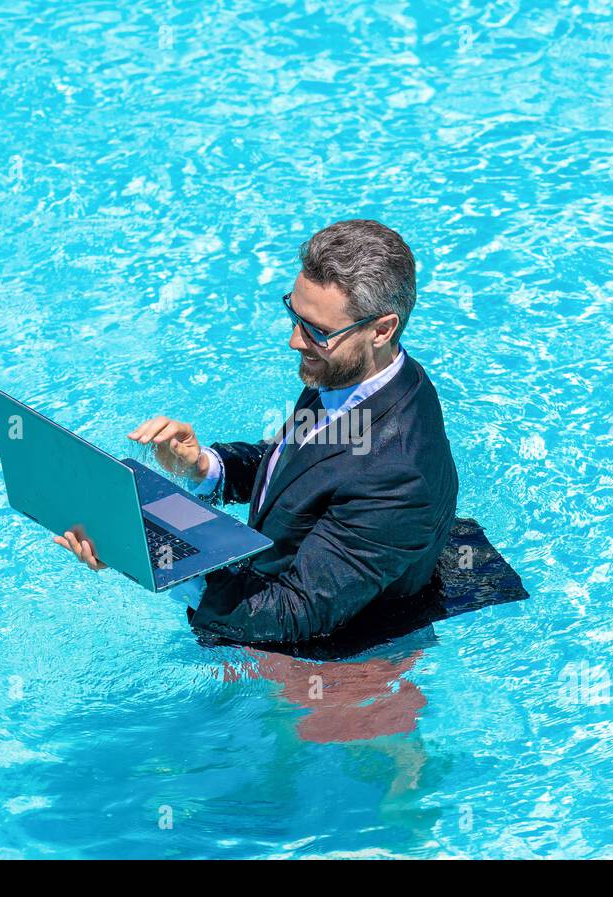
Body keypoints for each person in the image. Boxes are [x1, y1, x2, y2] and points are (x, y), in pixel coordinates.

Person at [56, 219, 458, 644]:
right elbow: (308, 462)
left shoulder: (397, 474)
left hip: (337, 664)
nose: (294, 341)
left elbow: (291, 614)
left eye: (318, 331)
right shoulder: (360, 375)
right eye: (294, 316)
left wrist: (152, 557)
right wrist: (204, 466)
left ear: (381, 330)